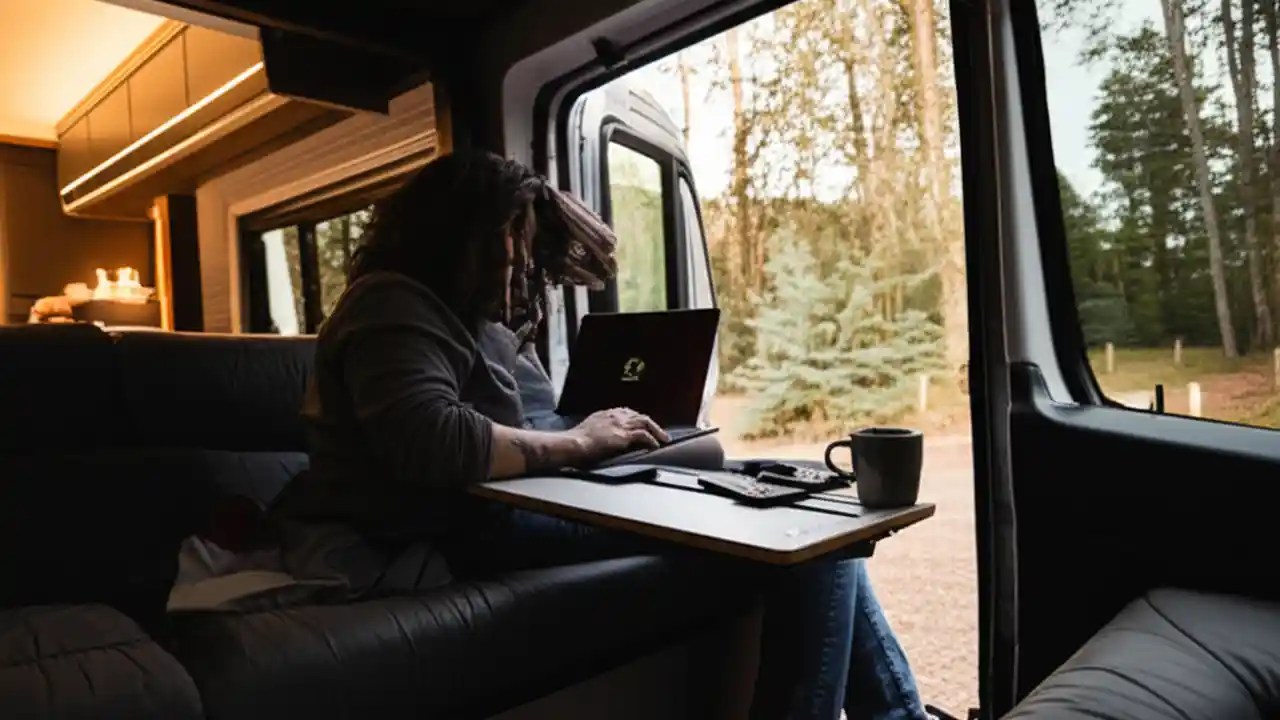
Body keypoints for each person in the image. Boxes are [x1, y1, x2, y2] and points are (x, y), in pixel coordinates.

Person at [271, 151, 928, 720]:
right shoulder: (391, 302)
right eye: (511, 240)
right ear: (461, 234)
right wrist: (583, 444)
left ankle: (898, 713)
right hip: (472, 524)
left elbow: (532, 404)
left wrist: (594, 428)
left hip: (525, 500)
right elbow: (433, 442)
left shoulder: (475, 319)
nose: (522, 264)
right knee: (803, 530)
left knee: (791, 490)